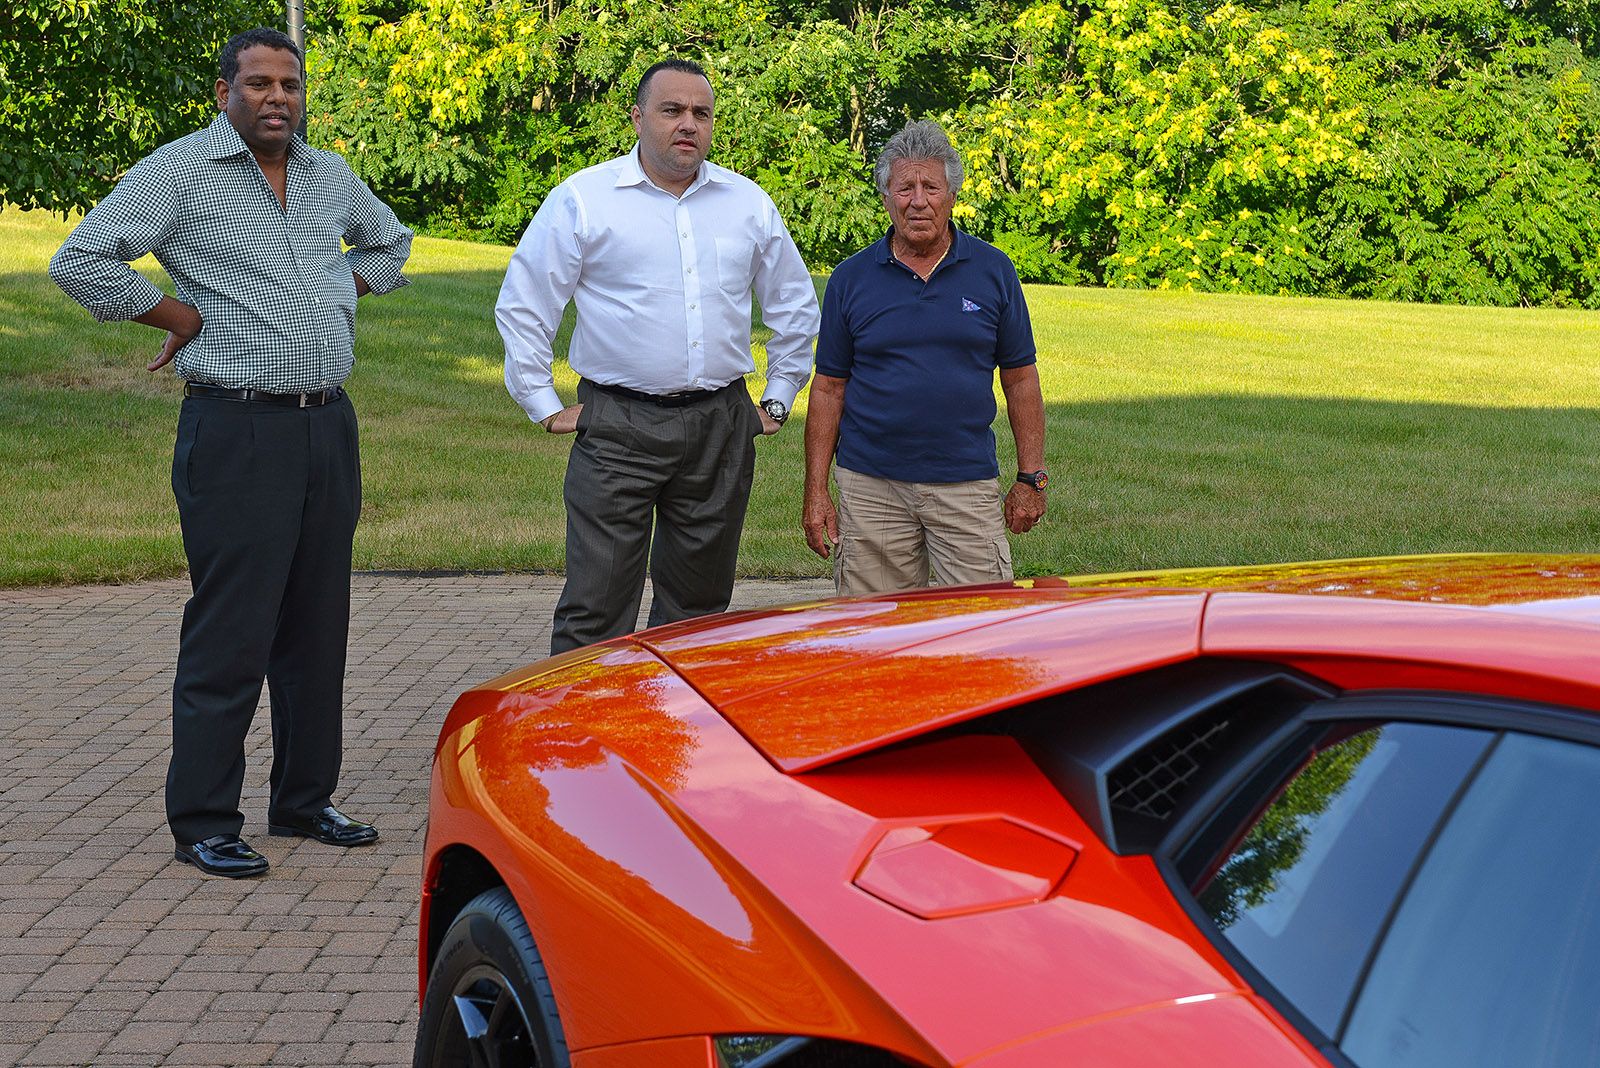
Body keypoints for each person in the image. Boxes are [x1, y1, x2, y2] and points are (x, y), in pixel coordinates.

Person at [49, 28, 413, 878]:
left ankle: (303, 799)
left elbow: (390, 242)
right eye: (257, 84)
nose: (276, 97)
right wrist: (179, 318)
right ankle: (205, 820)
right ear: (224, 94)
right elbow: (80, 259)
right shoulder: (179, 173)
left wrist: (337, 291)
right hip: (237, 430)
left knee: (318, 624)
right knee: (233, 632)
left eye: (288, 84)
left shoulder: (327, 175)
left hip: (329, 425)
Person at [497, 58, 819, 655]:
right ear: (639, 117)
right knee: (597, 608)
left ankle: (677, 742)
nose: (687, 124)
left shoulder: (747, 203)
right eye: (672, 110)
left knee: (698, 611)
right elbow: (525, 304)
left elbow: (794, 306)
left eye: (701, 112)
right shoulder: (585, 200)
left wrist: (778, 395)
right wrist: (541, 402)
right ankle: (586, 743)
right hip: (617, 426)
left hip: (721, 424)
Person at [802, 120, 1047, 595]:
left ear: (951, 194)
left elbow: (1020, 379)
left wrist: (1031, 477)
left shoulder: (993, 271)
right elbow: (829, 388)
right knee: (875, 637)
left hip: (965, 484)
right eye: (904, 187)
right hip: (870, 489)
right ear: (886, 197)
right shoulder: (850, 279)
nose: (918, 200)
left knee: (982, 630)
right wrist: (816, 492)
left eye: (931, 186)